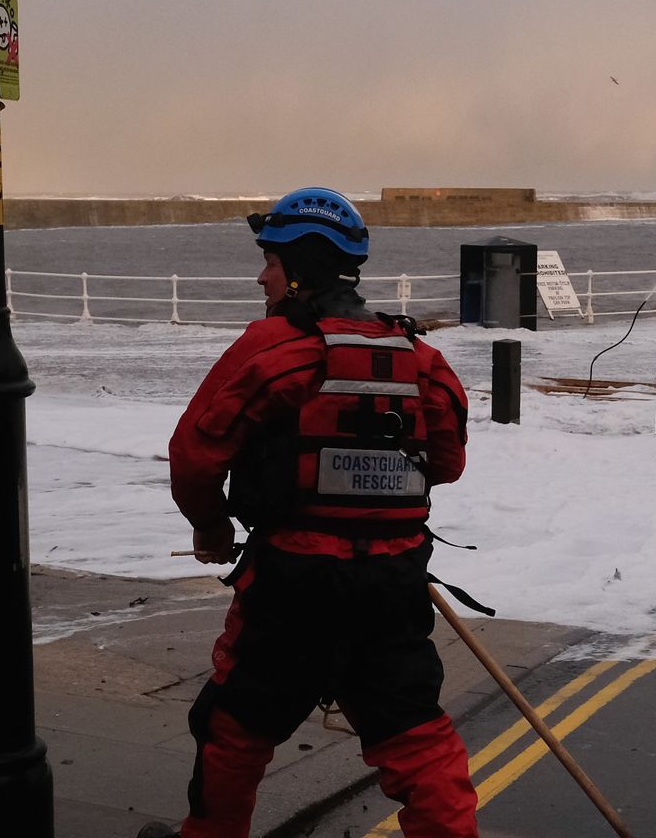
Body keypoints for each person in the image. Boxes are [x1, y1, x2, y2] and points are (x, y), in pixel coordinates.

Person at [140, 187, 478, 838]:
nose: (260, 276)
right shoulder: (419, 359)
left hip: (291, 585)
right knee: (416, 741)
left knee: (233, 729)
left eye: (268, 262)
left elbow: (196, 454)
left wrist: (210, 526)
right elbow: (446, 463)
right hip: (393, 585)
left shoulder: (274, 349)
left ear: (298, 269)